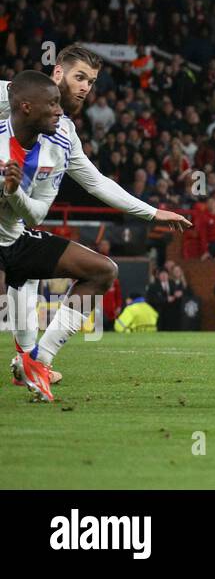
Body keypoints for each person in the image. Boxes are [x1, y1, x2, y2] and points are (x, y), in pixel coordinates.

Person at [2, 45, 189, 386]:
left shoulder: (63, 134)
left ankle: (34, 361)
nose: (86, 87)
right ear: (57, 73)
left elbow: (97, 183)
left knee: (29, 269)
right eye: (80, 77)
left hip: (15, 224)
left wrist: (151, 212)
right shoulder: (10, 95)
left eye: (91, 80)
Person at [0, 73, 150, 401]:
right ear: (26, 107)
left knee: (102, 270)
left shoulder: (58, 145)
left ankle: (37, 360)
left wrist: (12, 192)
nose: (59, 111)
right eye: (52, 104)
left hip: (16, 240)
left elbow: (36, 214)